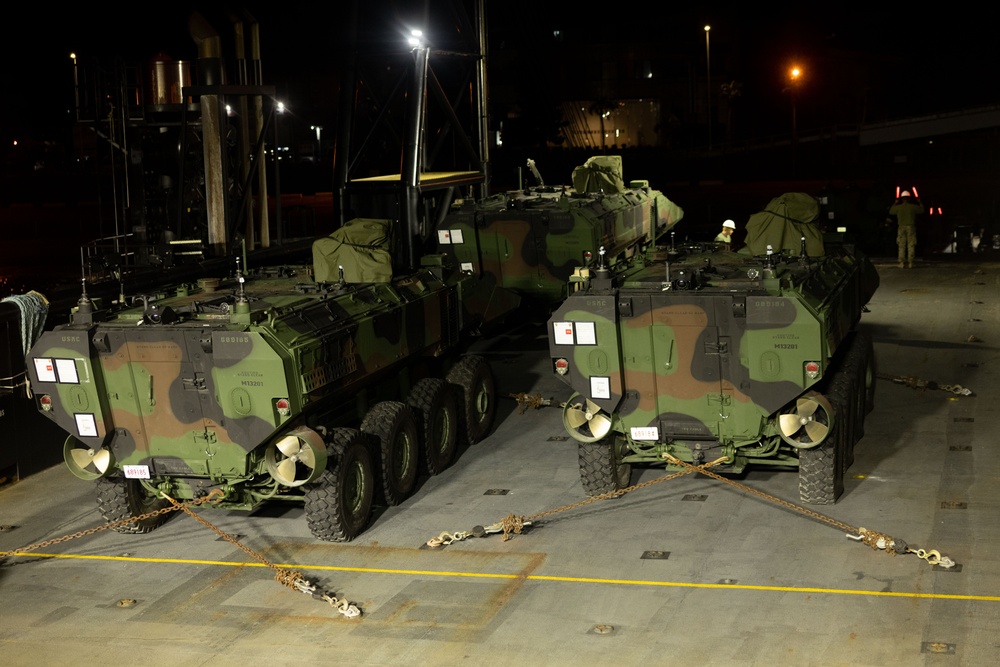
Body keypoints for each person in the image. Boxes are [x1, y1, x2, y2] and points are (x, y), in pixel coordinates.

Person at [889, 190, 924, 268]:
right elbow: (922, 210)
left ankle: (901, 262)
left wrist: (895, 203)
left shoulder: (898, 207)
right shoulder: (913, 207)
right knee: (911, 244)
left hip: (901, 227)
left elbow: (891, 211)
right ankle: (911, 262)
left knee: (901, 245)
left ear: (902, 199)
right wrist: (919, 202)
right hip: (911, 227)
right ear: (909, 198)